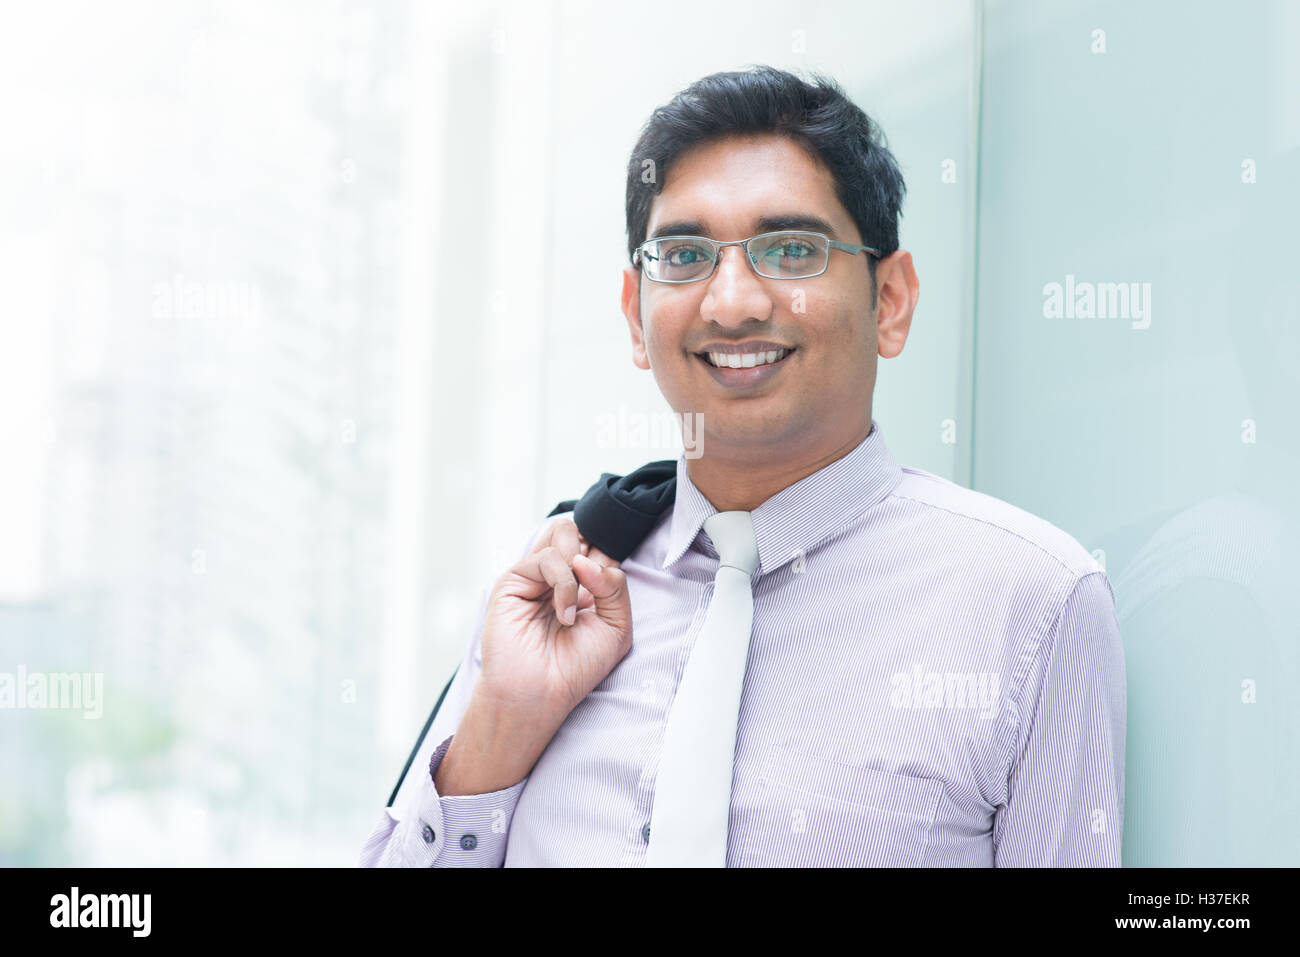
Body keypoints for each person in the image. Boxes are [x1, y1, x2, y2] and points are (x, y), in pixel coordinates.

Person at [360, 65, 1125, 868]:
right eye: (685, 254)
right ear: (635, 313)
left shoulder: (1029, 605)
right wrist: (501, 728)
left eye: (790, 249)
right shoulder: (556, 591)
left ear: (890, 299)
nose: (732, 303)